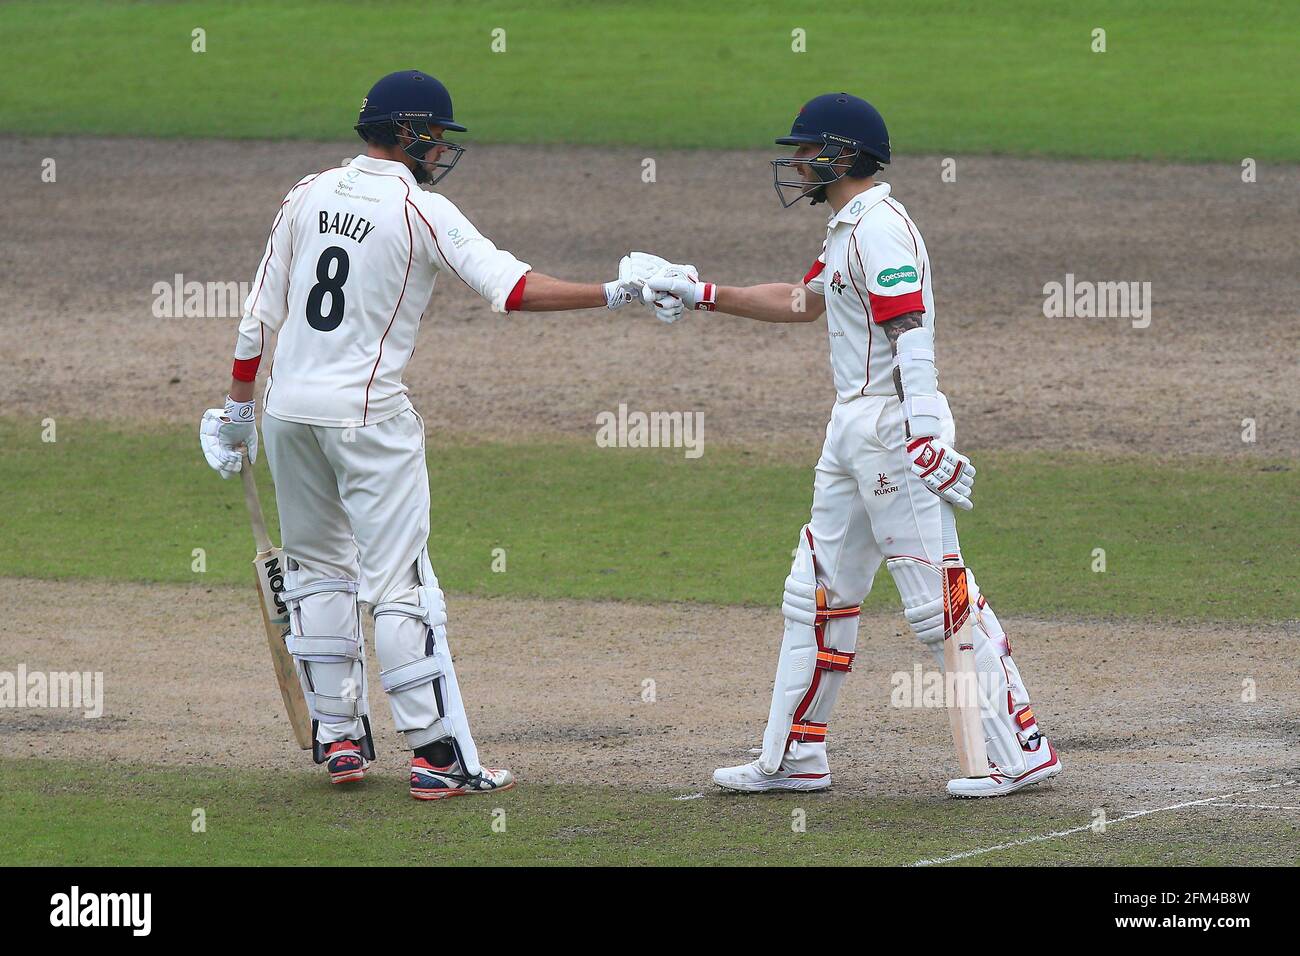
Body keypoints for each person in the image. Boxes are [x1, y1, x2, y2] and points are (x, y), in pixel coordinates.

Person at [200, 70, 664, 800]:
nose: (443, 148)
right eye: (438, 134)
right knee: (398, 585)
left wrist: (234, 413)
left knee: (318, 570)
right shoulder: (419, 208)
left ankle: (341, 737)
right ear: (412, 133)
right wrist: (618, 290)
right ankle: (437, 755)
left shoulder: (306, 193)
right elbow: (512, 289)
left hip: (286, 412)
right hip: (369, 419)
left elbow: (257, 316)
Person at [642, 93, 1062, 797]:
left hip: (893, 427)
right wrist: (700, 291)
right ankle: (795, 755)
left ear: (843, 154)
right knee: (816, 594)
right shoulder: (847, 229)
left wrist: (926, 429)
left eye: (808, 151)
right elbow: (800, 302)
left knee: (939, 602)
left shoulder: (881, 230)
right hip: (851, 429)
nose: (797, 162)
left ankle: (1019, 751)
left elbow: (911, 327)